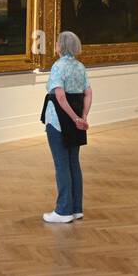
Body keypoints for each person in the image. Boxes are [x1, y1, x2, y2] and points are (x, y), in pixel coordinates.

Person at [40, 31, 91, 223]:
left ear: (61, 46)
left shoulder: (58, 67)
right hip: (76, 117)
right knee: (73, 163)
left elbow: (60, 96)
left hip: (58, 120)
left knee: (62, 164)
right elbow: (88, 93)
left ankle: (63, 211)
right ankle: (76, 208)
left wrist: (73, 118)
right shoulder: (80, 67)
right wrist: (82, 117)